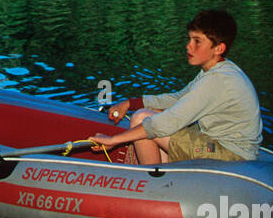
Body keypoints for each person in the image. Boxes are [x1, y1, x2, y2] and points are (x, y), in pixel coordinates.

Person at [89, 9, 262, 164]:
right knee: (147, 116)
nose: (189, 46)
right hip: (225, 145)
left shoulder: (218, 80)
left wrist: (114, 140)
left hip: (230, 155)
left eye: (197, 41)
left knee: (142, 120)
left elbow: (165, 123)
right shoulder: (219, 69)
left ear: (219, 48)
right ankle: (162, 171)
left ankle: (153, 184)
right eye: (190, 39)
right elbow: (178, 99)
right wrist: (130, 103)